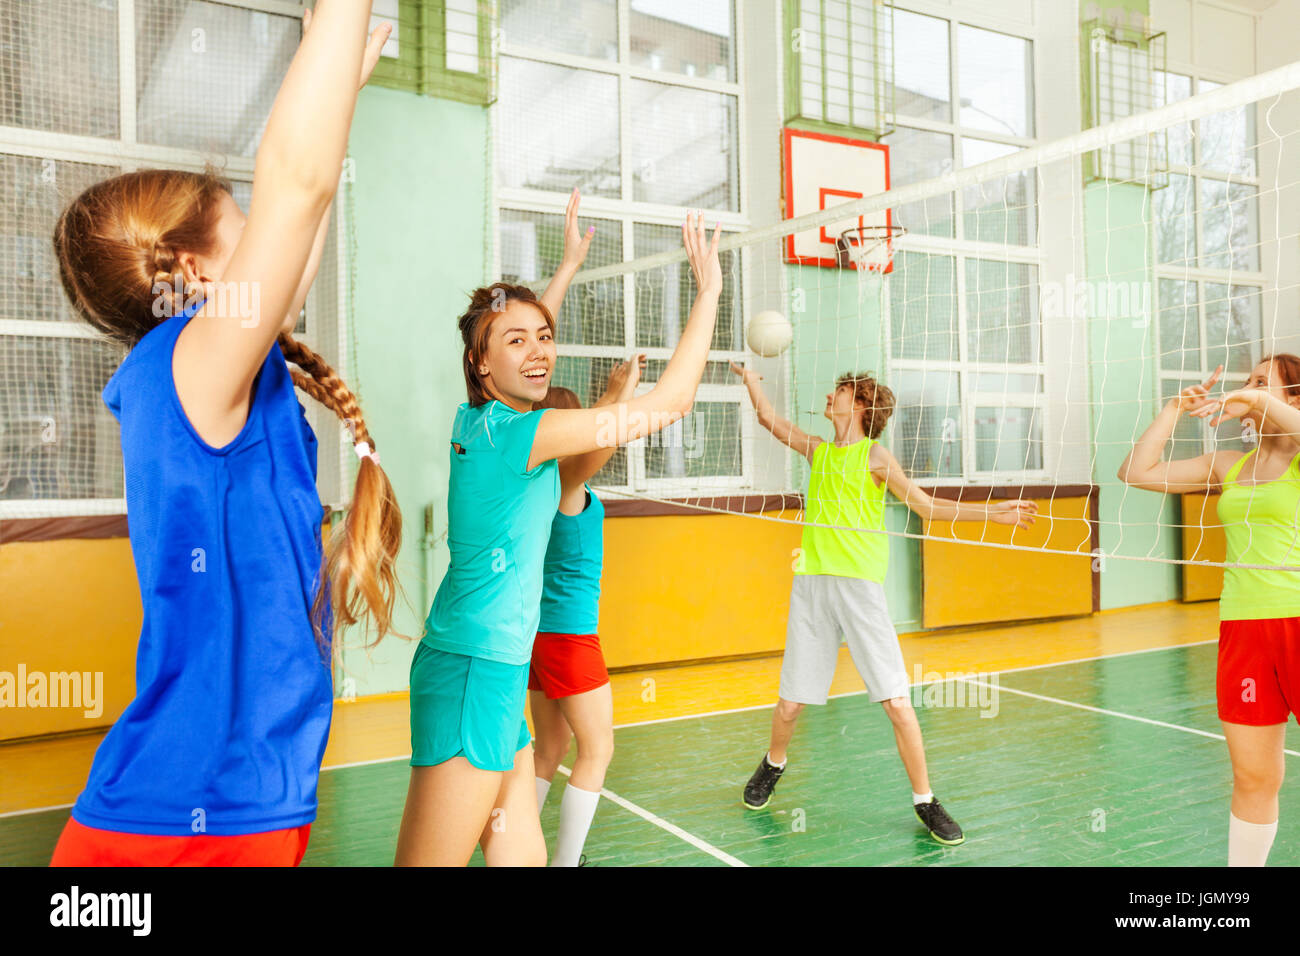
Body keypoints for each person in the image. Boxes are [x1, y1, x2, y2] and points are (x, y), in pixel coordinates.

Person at [47, 3, 398, 866]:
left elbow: (301, 227)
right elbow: (300, 187)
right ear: (199, 272)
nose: (267, 242)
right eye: (245, 223)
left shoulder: (210, 370)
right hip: (182, 814)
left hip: (223, 805)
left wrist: (341, 75)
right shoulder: (189, 363)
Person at [393, 213, 723, 866]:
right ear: (480, 364)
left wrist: (565, 270)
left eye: (545, 337)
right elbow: (672, 402)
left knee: (526, 859)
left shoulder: (487, 421)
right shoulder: (520, 435)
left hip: (495, 669)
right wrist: (710, 292)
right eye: (515, 342)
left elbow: (524, 344)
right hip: (470, 672)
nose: (539, 350)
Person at [731, 363, 1037, 845]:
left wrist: (993, 513)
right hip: (812, 585)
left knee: (896, 701)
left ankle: (925, 801)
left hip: (860, 591)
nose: (829, 395)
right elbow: (769, 419)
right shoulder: (818, 450)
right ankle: (773, 764)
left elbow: (926, 505)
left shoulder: (876, 459)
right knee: (790, 705)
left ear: (860, 405)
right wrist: (751, 379)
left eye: (840, 390)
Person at [1118, 356, 1300, 866]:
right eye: (1246, 381)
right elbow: (1135, 472)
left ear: (1294, 399)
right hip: (1242, 629)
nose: (1247, 391)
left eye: (1262, 383)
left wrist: (1258, 401)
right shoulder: (1229, 464)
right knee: (1253, 776)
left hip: (1297, 621)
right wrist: (1176, 407)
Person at [531, 356, 646, 868]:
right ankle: (563, 863)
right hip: (570, 639)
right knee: (597, 751)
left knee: (547, 752)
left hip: (537, 637)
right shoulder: (566, 485)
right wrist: (620, 394)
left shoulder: (532, 485)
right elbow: (604, 437)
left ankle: (520, 850)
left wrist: (615, 394)